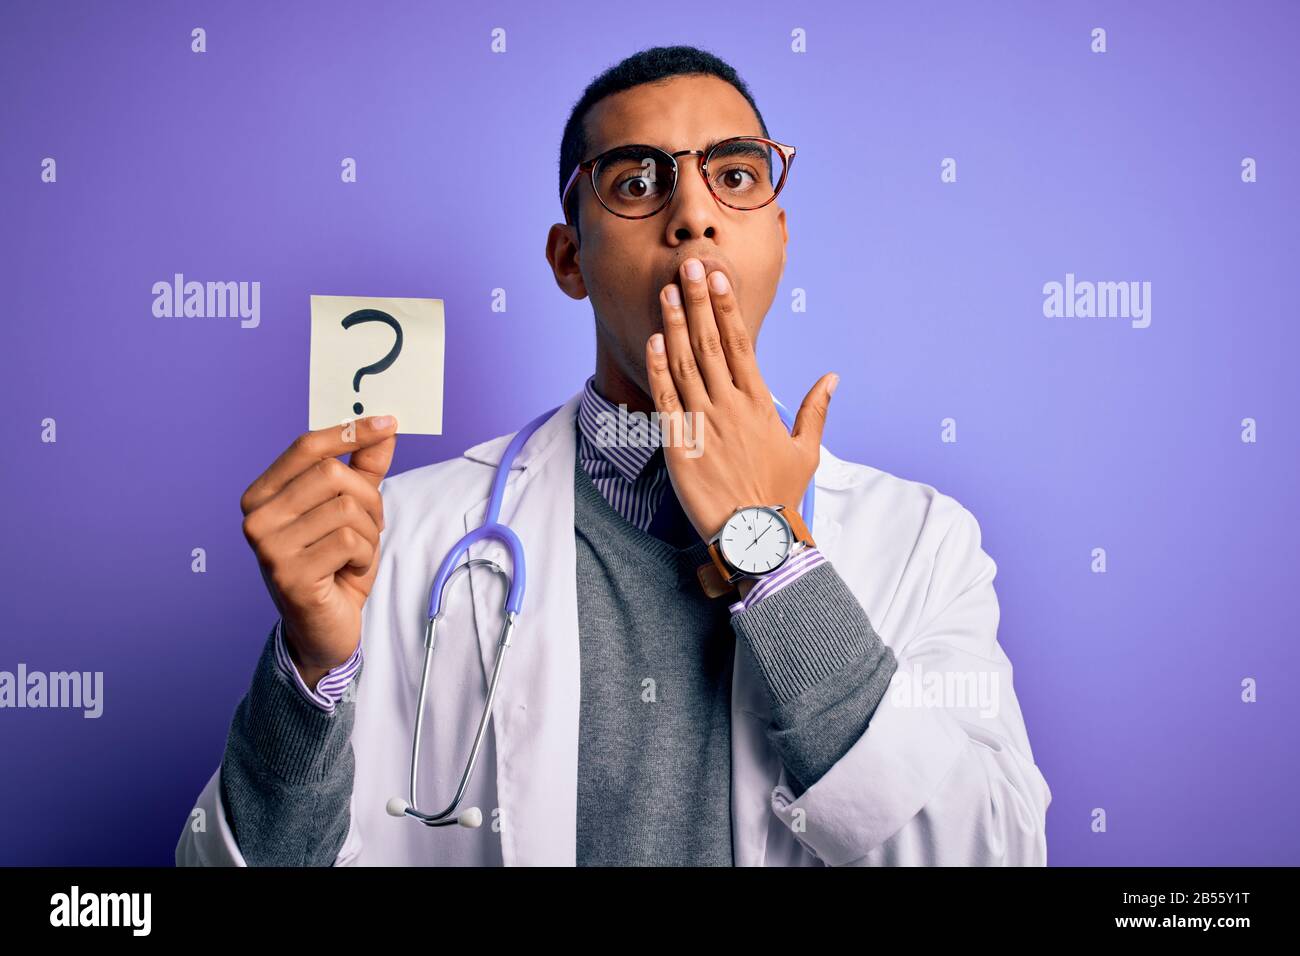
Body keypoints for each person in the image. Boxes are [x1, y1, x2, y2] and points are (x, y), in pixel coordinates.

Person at [176, 45, 1051, 866]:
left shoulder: (926, 542)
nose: (695, 216)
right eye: (637, 183)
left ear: (780, 237)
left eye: (735, 176)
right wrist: (310, 674)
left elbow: (990, 850)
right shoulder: (400, 536)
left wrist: (772, 554)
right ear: (570, 260)